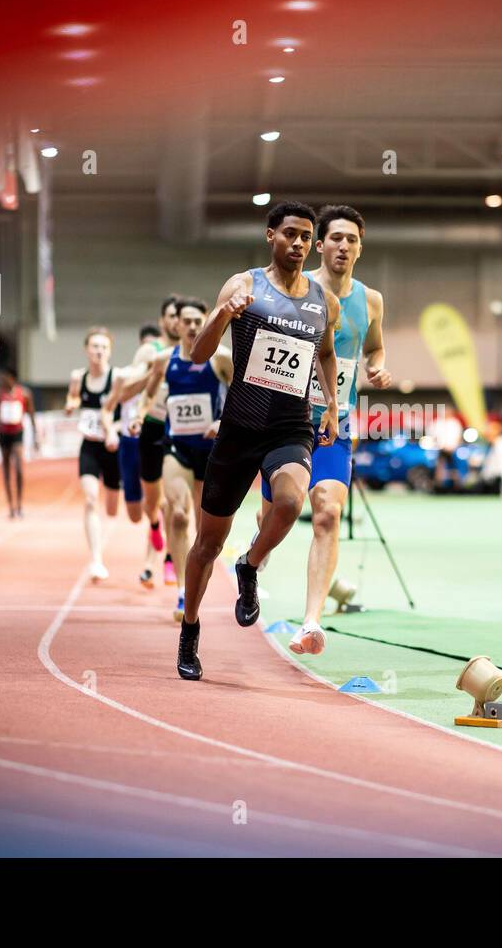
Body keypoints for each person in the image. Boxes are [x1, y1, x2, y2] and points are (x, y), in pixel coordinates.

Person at [175, 201, 341, 681]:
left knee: (289, 503)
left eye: (306, 237)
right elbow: (199, 354)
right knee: (207, 544)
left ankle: (249, 565)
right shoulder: (244, 285)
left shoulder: (321, 300)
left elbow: (325, 354)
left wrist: (329, 403)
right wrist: (224, 314)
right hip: (239, 429)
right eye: (290, 233)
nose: (299, 244)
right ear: (271, 235)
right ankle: (190, 628)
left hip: (290, 427)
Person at [256, 205, 392, 655]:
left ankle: (311, 622)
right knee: (274, 515)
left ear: (360, 247)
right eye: (336, 238)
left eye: (352, 239)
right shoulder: (300, 289)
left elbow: (374, 346)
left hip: (337, 423)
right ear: (320, 244)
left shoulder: (371, 300)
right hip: (286, 423)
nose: (344, 246)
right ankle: (252, 566)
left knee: (328, 512)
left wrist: (377, 367)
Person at [132, 297, 233, 620]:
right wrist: (139, 414)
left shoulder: (221, 359)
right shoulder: (165, 360)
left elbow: (242, 392)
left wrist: (223, 423)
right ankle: (181, 591)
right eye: (185, 321)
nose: (190, 326)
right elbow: (148, 393)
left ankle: (197, 582)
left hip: (211, 452)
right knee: (177, 515)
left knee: (206, 535)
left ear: (206, 322)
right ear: (177, 325)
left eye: (196, 321)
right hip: (176, 446)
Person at [103, 310, 178, 589]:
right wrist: (152, 372)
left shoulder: (186, 354)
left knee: (171, 502)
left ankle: (163, 560)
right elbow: (118, 399)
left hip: (168, 432)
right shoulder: (139, 366)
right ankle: (156, 525)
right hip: (133, 439)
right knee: (139, 511)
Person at [64, 327, 123, 581]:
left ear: (109, 351)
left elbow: (127, 413)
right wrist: (71, 404)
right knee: (89, 499)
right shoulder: (78, 377)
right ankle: (96, 560)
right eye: (94, 346)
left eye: (103, 347)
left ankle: (100, 550)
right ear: (86, 350)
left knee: (111, 509)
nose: (98, 351)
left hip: (111, 447)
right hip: (89, 446)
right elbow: (74, 397)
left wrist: (114, 432)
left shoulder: (118, 377)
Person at [0, 369, 37, 517]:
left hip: (18, 433)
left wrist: (36, 436)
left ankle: (20, 505)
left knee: (19, 468)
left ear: (12, 378)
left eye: (5, 378)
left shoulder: (24, 394)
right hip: (4, 434)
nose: (3, 381)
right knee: (6, 471)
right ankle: (11, 506)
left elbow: (31, 414)